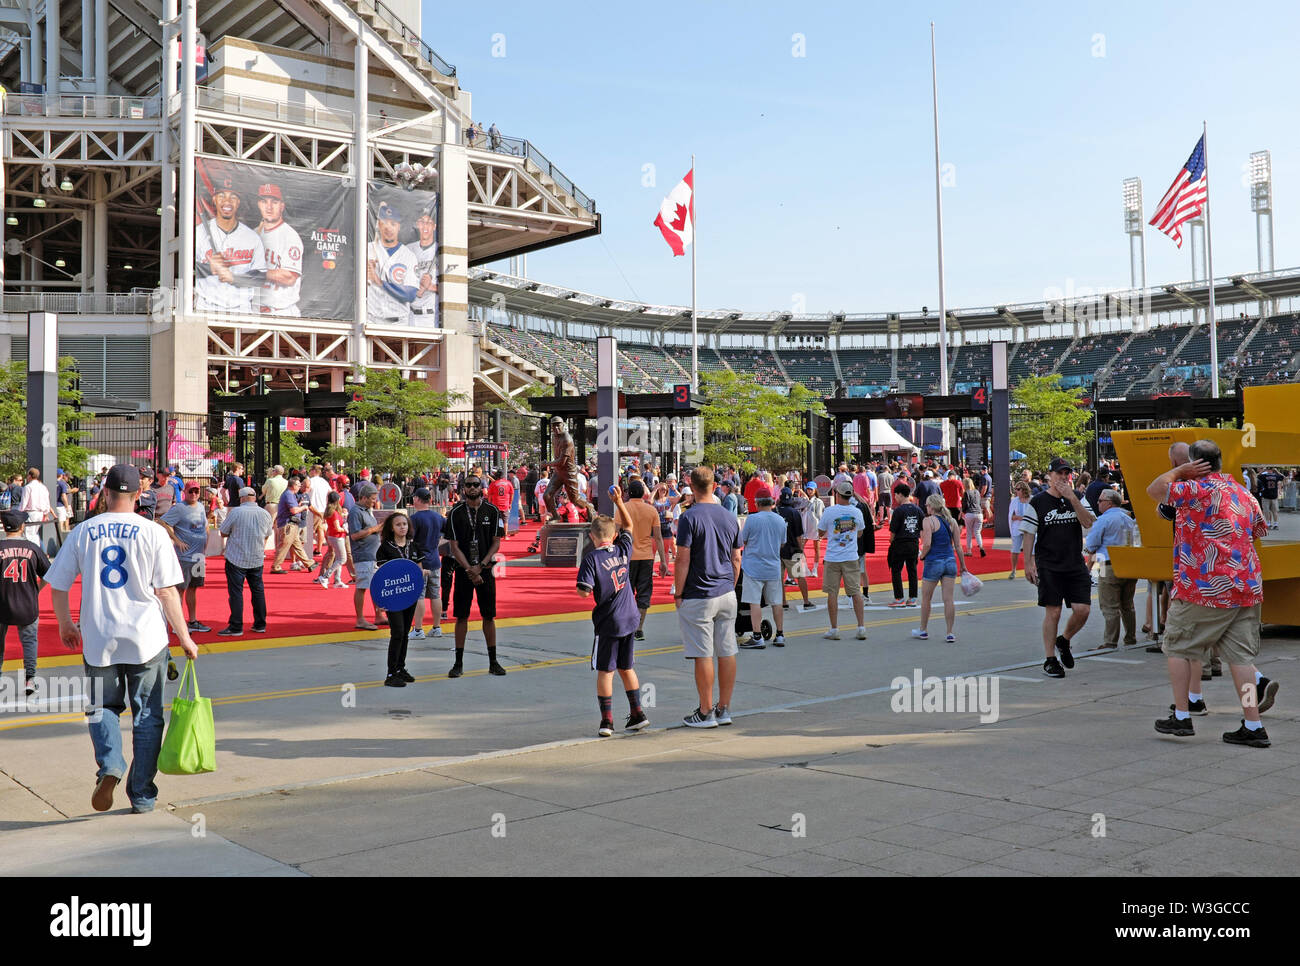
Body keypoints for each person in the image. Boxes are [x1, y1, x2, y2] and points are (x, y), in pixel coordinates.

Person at [46, 464, 197, 814]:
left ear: (106, 494)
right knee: (147, 715)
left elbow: (58, 584)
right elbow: (168, 592)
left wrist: (67, 624)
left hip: (100, 637)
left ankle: (111, 765)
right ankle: (142, 793)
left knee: (102, 707)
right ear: (137, 496)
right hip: (146, 638)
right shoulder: (153, 532)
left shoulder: (84, 531)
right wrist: (185, 636)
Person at [1147, 440, 1279, 746]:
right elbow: (1259, 529)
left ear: (1195, 464)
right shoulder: (1243, 493)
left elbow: (1155, 490)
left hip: (1203, 587)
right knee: (1241, 659)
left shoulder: (1196, 489)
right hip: (1245, 586)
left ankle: (1182, 716)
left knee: (1178, 646)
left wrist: (1180, 471)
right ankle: (1252, 723)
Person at [578, 486, 649, 737]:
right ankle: (638, 712)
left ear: (592, 536)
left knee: (605, 670)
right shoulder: (622, 550)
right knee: (626, 667)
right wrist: (619, 501)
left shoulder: (591, 559)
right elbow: (629, 526)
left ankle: (607, 721)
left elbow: (584, 591)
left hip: (609, 620)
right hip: (630, 616)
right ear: (614, 534)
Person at [674, 466, 742, 728]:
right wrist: (731, 583)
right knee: (727, 650)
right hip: (725, 590)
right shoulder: (728, 516)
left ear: (692, 487)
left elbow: (683, 559)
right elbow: (737, 557)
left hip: (699, 593)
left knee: (703, 653)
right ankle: (724, 708)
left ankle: (705, 711)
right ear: (714, 486)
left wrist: (678, 593)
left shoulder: (689, 518)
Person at [1020, 457, 1095, 678]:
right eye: (1059, 474)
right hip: (1049, 564)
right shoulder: (1038, 502)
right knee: (1053, 611)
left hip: (1074, 562)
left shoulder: (1078, 497)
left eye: (1066, 474)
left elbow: (1088, 522)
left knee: (1083, 609)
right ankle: (1050, 659)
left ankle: (1064, 640)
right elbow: (1028, 534)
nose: (1063, 477)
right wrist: (1027, 563)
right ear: (1050, 477)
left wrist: (1073, 498)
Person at [447, 474, 506, 677]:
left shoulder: (493, 511)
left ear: (481, 488)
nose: (472, 488)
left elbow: (496, 542)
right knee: (461, 616)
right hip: (464, 572)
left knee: (488, 615)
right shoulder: (455, 513)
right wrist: (470, 570)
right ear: (463, 489)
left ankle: (493, 661)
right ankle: (458, 663)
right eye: (468, 485)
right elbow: (453, 547)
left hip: (486, 570)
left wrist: (480, 566)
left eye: (475, 485)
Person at [195, 177, 267, 314]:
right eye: (221, 196)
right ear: (214, 200)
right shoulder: (199, 232)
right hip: (206, 305)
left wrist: (234, 278)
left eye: (232, 197)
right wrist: (208, 267)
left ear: (238, 202)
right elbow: (185, 268)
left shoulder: (252, 237)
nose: (227, 201)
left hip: (241, 308)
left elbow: (260, 277)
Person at [0, 508, 50, 696]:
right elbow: (48, 574)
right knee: (29, 641)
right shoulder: (32, 548)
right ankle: (30, 678)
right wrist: (36, 589)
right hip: (27, 603)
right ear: (22, 526)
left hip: (2, 602)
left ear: (4, 527)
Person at [1084, 488, 1137, 650]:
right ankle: (1130, 638)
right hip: (1129, 563)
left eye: (1100, 501)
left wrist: (1089, 566)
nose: (1098, 503)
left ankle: (1110, 641)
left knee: (1109, 605)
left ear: (1109, 503)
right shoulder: (1128, 518)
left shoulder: (1103, 520)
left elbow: (1092, 544)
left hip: (1107, 563)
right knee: (1127, 604)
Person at [376, 511, 424, 687]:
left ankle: (400, 668)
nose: (402, 527)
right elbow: (382, 576)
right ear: (391, 527)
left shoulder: (414, 546)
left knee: (404, 633)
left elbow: (419, 569)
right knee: (397, 633)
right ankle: (391, 673)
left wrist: (422, 573)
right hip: (392, 598)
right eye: (398, 524)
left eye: (404, 524)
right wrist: (381, 602)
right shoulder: (385, 548)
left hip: (409, 596)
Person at [738, 485, 788, 649]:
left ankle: (757, 636)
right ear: (772, 502)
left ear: (757, 503)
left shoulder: (752, 519)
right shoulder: (780, 520)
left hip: (753, 567)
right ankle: (780, 634)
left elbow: (742, 541)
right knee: (776, 602)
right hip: (773, 566)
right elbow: (782, 543)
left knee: (754, 603)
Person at [158, 481, 212, 633]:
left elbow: (205, 526)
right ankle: (177, 622)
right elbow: (163, 522)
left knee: (194, 588)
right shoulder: (180, 508)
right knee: (181, 589)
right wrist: (176, 540)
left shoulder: (201, 506)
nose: (194, 494)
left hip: (198, 555)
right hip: (185, 556)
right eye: (191, 491)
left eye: (196, 491)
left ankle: (193, 620)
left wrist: (205, 544)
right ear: (185, 492)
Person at [218, 486, 273, 636]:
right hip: (256, 557)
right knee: (258, 591)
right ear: (254, 497)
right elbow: (268, 533)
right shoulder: (265, 513)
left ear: (241, 498)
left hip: (236, 557)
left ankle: (236, 626)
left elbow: (223, 532)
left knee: (236, 593)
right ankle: (260, 623)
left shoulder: (236, 512)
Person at [818, 480, 868, 641]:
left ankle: (834, 629)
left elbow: (820, 532)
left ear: (837, 494)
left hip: (833, 557)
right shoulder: (857, 512)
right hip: (851, 556)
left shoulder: (829, 512)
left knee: (832, 593)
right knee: (855, 592)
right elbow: (860, 533)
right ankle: (861, 627)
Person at [912, 493, 965, 643]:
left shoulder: (928, 521)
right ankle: (950, 632)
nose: (926, 507)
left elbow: (927, 543)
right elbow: (958, 546)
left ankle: (923, 630)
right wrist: (963, 566)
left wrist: (922, 556)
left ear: (932, 506)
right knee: (948, 599)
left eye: (927, 505)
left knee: (926, 599)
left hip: (934, 561)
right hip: (950, 561)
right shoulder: (952, 521)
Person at [622, 479, 664, 642]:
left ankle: (627, 625)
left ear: (628, 493)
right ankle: (639, 628)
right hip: (647, 556)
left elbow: (615, 532)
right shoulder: (651, 510)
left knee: (626, 591)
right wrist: (664, 561)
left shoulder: (623, 508)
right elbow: (658, 537)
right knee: (644, 592)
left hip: (628, 556)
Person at [255, 182, 304, 316]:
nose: (269, 207)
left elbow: (289, 277)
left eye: (274, 202)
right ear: (259, 205)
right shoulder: (253, 235)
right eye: (264, 201)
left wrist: (258, 274)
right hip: (256, 312)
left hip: (282, 313)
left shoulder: (289, 236)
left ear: (282, 206)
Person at [367, 202, 418, 325]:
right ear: (378, 225)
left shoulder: (408, 256)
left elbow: (410, 294)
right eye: (384, 223)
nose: (388, 228)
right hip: (370, 319)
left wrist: (378, 281)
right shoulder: (367, 250)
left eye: (393, 224)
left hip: (398, 322)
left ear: (399, 226)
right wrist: (363, 274)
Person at [407, 487, 446, 639]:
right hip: (435, 559)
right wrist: (437, 543)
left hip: (420, 561)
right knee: (436, 594)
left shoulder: (415, 519)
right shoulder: (437, 517)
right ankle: (437, 627)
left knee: (419, 595)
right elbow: (449, 533)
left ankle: (418, 629)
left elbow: (410, 540)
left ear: (417, 499)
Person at [348, 483, 387, 630]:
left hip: (372, 554)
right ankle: (360, 619)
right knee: (362, 586)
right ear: (363, 498)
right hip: (363, 554)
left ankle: (378, 615)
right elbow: (355, 535)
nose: (374, 501)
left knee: (375, 586)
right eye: (372, 499)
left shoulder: (366, 510)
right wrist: (374, 529)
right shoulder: (356, 512)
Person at [888, 483, 925, 607]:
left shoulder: (898, 511)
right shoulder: (917, 509)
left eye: (895, 495)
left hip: (900, 543)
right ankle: (913, 598)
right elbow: (923, 528)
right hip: (913, 542)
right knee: (912, 570)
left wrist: (891, 541)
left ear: (899, 494)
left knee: (896, 570)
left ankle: (899, 598)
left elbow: (893, 531)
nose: (895, 498)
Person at [270, 476, 313, 573]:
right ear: (293, 486)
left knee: (298, 546)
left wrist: (299, 506)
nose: (300, 487)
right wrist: (303, 507)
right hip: (288, 524)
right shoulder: (289, 494)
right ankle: (276, 566)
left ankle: (309, 563)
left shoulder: (290, 494)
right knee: (284, 546)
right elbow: (293, 510)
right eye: (298, 485)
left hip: (291, 524)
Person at [406, 200, 439, 325]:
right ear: (417, 224)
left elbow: (452, 289)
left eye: (429, 223)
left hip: (429, 316)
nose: (425, 227)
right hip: (409, 314)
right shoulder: (408, 249)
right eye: (422, 222)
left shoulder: (441, 250)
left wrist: (430, 287)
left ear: (434, 226)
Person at [318, 490, 351, 589]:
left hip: (333, 536)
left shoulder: (330, 511)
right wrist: (345, 530)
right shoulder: (334, 513)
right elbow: (337, 527)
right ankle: (325, 576)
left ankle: (337, 579)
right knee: (342, 559)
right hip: (337, 537)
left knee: (338, 558)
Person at [19, 467, 52, 546]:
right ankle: (37, 551)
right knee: (35, 534)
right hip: (40, 513)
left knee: (29, 534)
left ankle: (32, 553)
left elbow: (24, 502)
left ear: (29, 476)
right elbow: (47, 501)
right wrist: (46, 513)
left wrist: (18, 512)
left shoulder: (28, 487)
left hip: (31, 513)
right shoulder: (43, 487)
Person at [1007, 481, 1031, 580]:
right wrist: (1019, 517)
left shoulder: (1031, 500)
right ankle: (1013, 570)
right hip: (1017, 528)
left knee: (1029, 550)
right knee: (1015, 550)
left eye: (1018, 489)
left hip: (1029, 528)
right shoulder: (1014, 501)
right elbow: (1010, 516)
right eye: (1015, 489)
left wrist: (1024, 518)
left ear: (1024, 490)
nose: (1016, 491)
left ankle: (1030, 569)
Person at [801, 481, 824, 577]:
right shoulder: (803, 500)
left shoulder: (819, 502)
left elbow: (820, 517)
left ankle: (815, 569)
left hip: (815, 528)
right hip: (805, 528)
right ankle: (805, 568)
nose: (809, 491)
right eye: (808, 489)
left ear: (815, 490)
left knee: (816, 549)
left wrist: (821, 531)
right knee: (800, 548)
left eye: (811, 489)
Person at [961, 477, 985, 556]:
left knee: (969, 533)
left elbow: (966, 504)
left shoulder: (966, 493)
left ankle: (969, 551)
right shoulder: (977, 492)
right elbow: (979, 503)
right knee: (977, 532)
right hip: (979, 513)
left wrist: (962, 512)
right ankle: (981, 547)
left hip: (970, 513)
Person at [1255, 466, 1283, 530]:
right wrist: (1277, 471)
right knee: (1274, 511)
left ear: (1267, 469)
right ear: (1272, 470)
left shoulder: (1264, 476)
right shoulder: (1276, 476)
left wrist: (1262, 471)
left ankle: (1268, 523)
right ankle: (1276, 524)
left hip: (1266, 496)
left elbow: (1255, 476)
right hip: (1274, 496)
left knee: (1266, 511)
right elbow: (1283, 477)